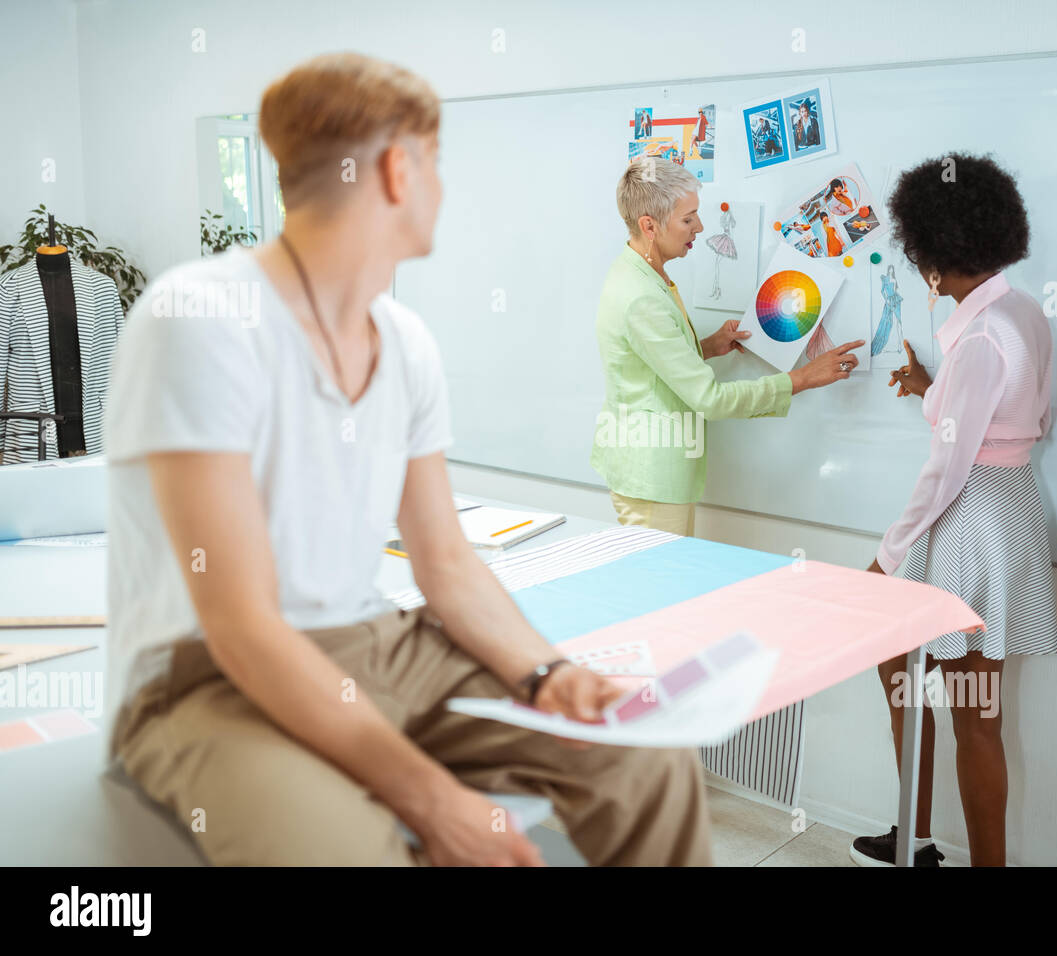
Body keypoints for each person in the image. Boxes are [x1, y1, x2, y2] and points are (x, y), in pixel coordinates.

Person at [104, 52, 713, 867]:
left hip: (375, 642)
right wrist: (432, 799)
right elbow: (242, 625)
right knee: (347, 850)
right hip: (208, 680)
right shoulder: (199, 320)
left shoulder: (405, 343)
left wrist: (545, 674)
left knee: (644, 757)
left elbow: (447, 562)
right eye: (434, 164)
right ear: (397, 170)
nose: (441, 189)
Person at [852, 153, 1057, 868]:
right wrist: (930, 389)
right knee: (920, 675)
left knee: (974, 716)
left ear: (934, 256)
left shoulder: (976, 337)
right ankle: (915, 840)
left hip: (970, 522)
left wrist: (884, 557)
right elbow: (1016, 418)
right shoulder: (1022, 312)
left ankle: (952, 854)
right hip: (1010, 514)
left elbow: (948, 466)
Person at [591, 156, 862, 535]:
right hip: (650, 477)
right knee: (663, 589)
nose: (700, 227)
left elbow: (650, 360)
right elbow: (711, 399)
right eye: (688, 219)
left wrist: (705, 346)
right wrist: (800, 379)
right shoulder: (641, 296)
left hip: (653, 474)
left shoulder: (639, 271)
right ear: (649, 226)